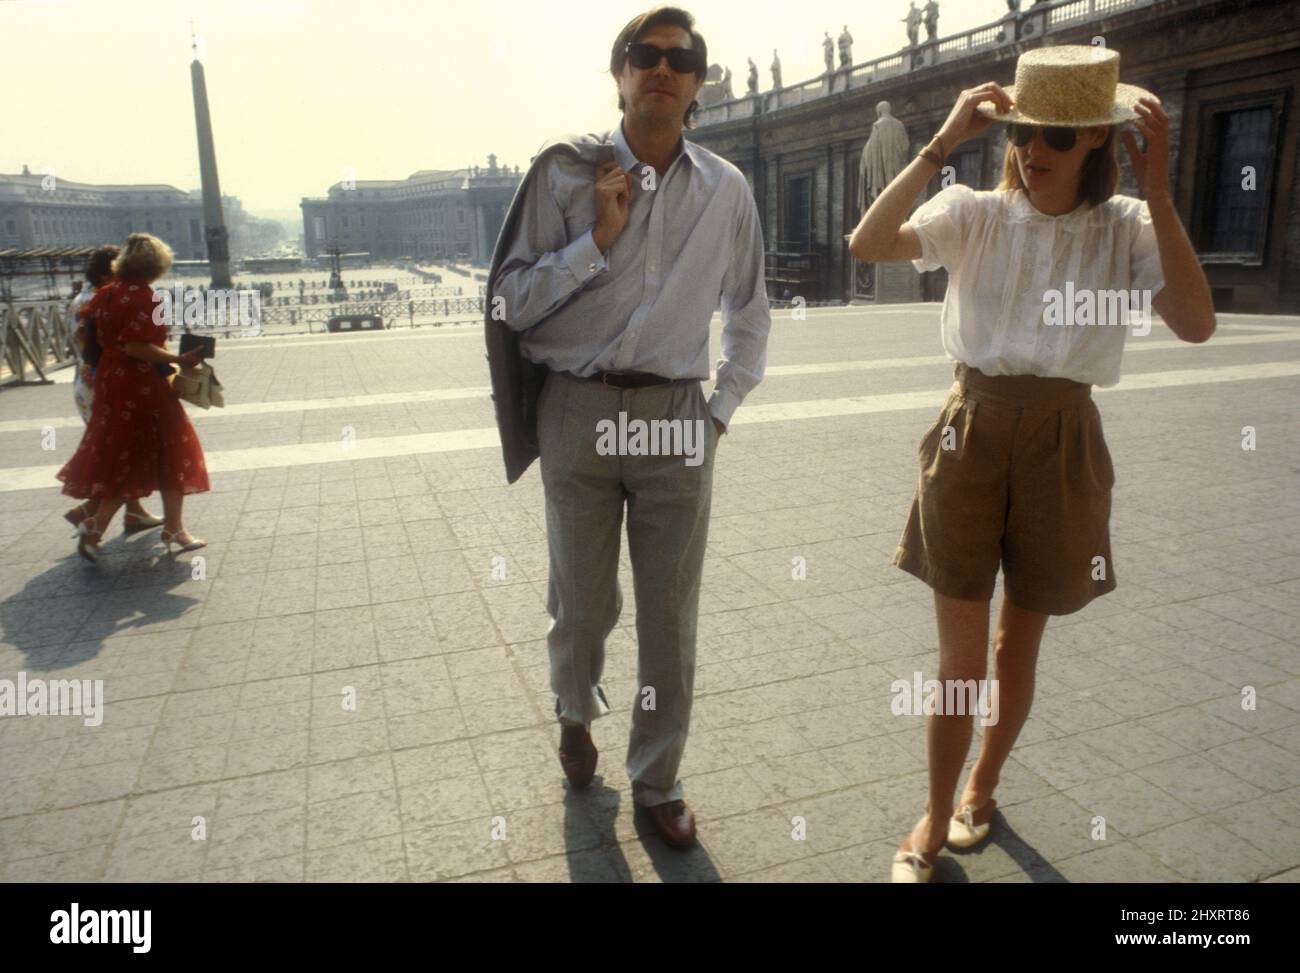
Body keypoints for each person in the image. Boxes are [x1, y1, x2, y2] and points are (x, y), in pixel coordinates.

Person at [848, 45, 1215, 882]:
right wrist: (943, 141)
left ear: (1096, 138)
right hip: (970, 430)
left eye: (1053, 135)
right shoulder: (972, 210)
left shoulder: (1123, 227)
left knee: (1019, 645)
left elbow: (1195, 322)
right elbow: (868, 243)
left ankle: (984, 780)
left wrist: (1158, 194)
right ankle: (936, 814)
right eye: (1019, 133)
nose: (1030, 152)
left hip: (1064, 440)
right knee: (960, 658)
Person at [486, 5, 770, 848]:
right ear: (619, 72)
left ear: (697, 84)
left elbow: (748, 311)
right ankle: (575, 708)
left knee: (669, 610)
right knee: (583, 600)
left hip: (677, 415)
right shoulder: (564, 174)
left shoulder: (728, 190)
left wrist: (717, 411)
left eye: (680, 60)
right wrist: (594, 243)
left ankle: (657, 774)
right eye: (643, 54)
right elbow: (508, 301)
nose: (661, 68)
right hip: (576, 407)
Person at [56, 233, 211, 561]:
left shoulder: (106, 294)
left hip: (111, 382)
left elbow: (94, 337)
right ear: (155, 266)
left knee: (126, 455)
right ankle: (174, 528)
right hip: (141, 384)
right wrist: (179, 360)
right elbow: (136, 346)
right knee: (174, 450)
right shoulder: (146, 297)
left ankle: (95, 526)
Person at [63, 245, 164, 535]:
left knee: (118, 450)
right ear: (109, 271)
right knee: (125, 452)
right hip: (108, 384)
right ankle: (91, 510)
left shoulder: (81, 298)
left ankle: (134, 512)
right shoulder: (103, 299)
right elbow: (129, 345)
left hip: (85, 383)